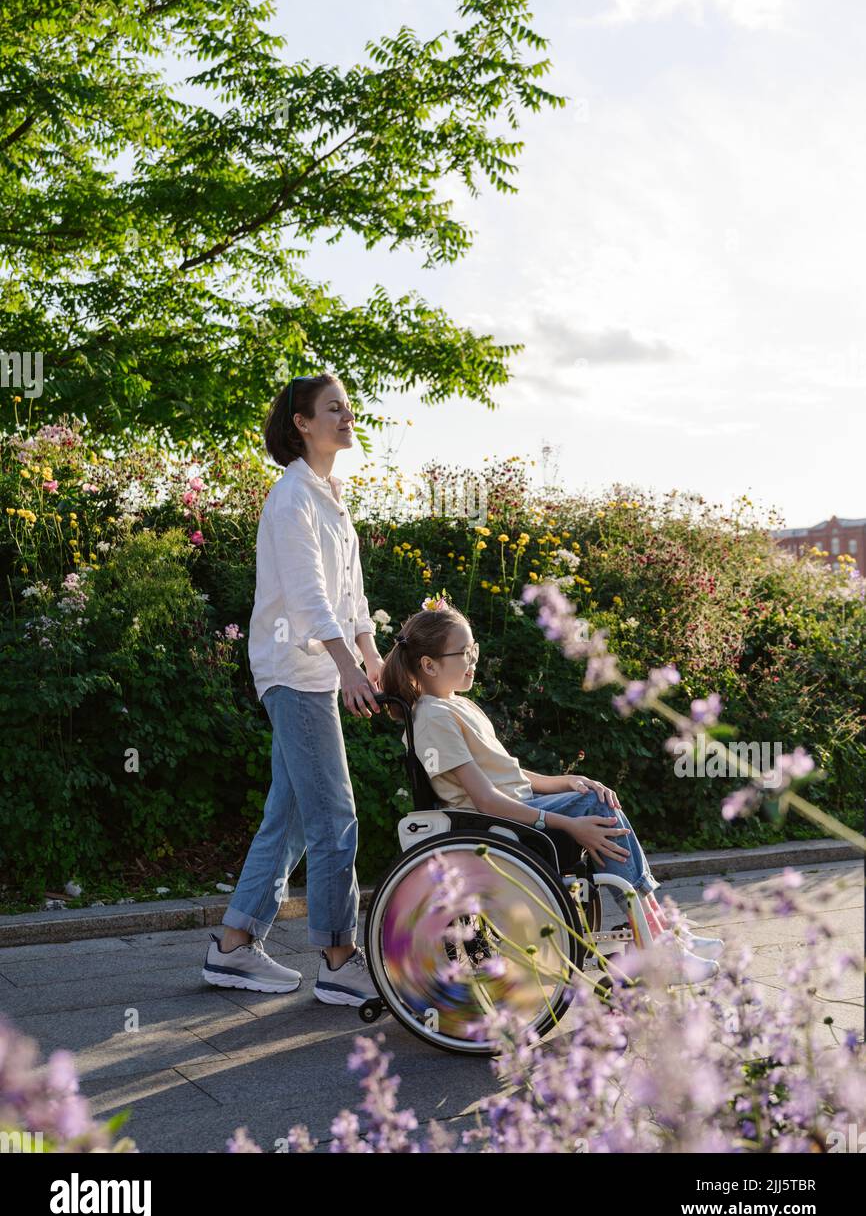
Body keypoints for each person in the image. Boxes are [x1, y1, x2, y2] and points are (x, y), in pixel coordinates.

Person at [378, 601, 724, 987]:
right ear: (429, 665)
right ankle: (660, 940)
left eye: (474, 649)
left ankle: (664, 935)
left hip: (513, 807)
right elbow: (487, 800)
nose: (473, 659)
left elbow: (506, 773)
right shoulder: (434, 718)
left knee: (593, 794)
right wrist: (569, 823)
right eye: (464, 653)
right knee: (596, 806)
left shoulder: (455, 705)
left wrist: (565, 780)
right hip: (494, 824)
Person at [202, 371, 384, 1007]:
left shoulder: (331, 495)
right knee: (335, 817)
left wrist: (370, 656)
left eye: (347, 408)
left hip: (318, 675)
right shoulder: (291, 498)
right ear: (302, 422)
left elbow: (350, 594)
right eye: (333, 409)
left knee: (291, 821)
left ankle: (232, 946)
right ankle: (338, 959)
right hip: (295, 674)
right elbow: (308, 598)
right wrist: (348, 666)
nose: (346, 416)